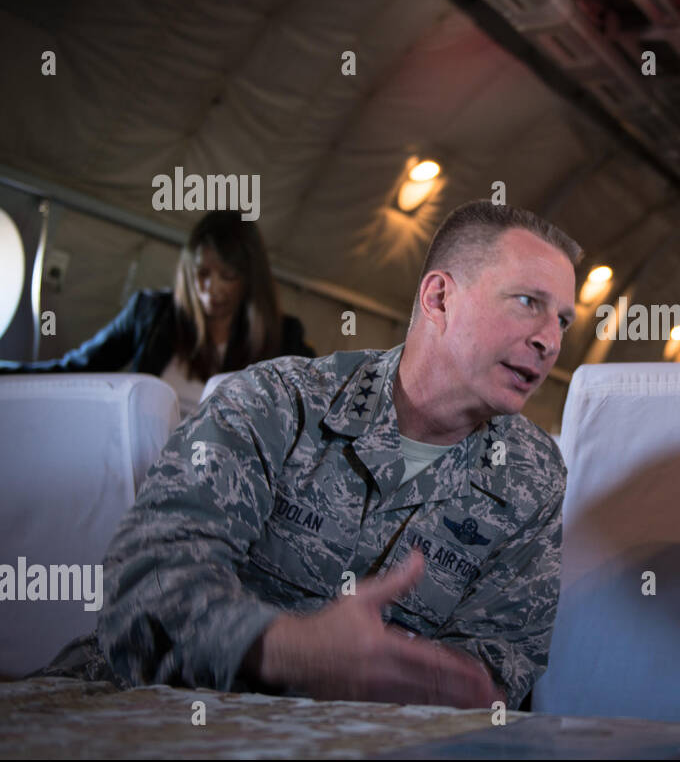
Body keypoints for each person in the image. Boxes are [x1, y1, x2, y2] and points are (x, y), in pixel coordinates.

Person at [38, 199, 580, 710]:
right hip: (142, 716)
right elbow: (148, 577)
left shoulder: (531, 477)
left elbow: (495, 665)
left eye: (563, 321)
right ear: (439, 297)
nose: (549, 341)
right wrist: (286, 649)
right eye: (529, 303)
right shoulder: (280, 401)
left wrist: (384, 693)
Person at [0, 211, 314, 416]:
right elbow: (74, 371)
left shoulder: (284, 339)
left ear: (250, 279)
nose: (211, 289)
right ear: (187, 269)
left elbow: (313, 411)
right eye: (202, 273)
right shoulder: (150, 313)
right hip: (141, 472)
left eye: (228, 275)